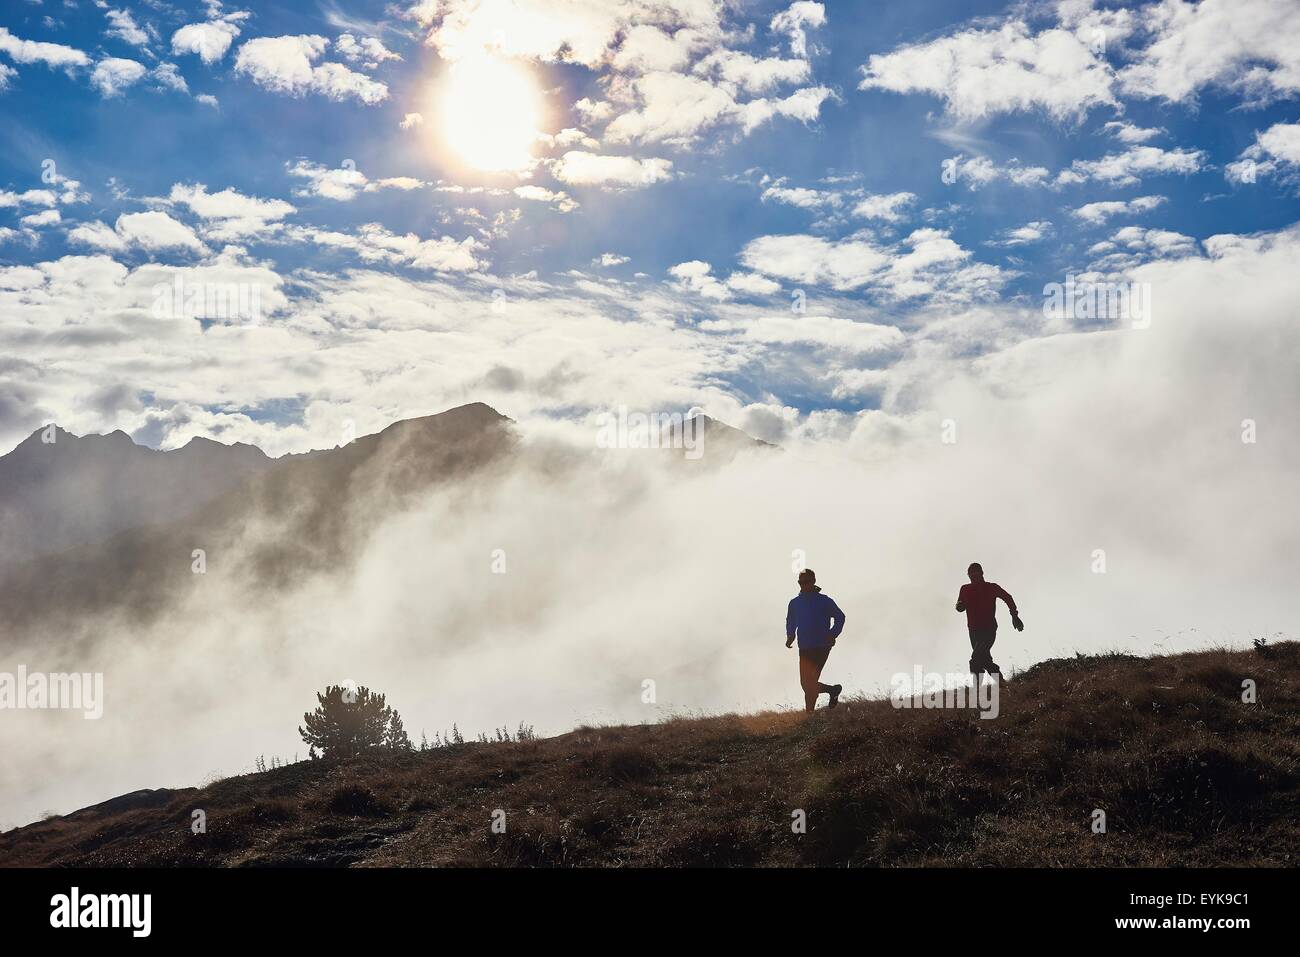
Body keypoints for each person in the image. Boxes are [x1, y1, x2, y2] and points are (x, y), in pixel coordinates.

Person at [785, 569, 845, 712]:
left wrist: (833, 634)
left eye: (807, 582)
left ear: (813, 581)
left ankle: (809, 715)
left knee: (809, 683)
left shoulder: (824, 601)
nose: (803, 585)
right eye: (801, 582)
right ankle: (832, 690)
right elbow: (791, 620)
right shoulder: (794, 603)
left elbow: (840, 617)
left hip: (822, 646)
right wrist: (790, 635)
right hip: (804, 647)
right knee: (806, 684)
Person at [955, 562, 1023, 680]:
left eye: (976, 574)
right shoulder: (965, 589)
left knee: (975, 660)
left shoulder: (991, 587)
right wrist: (959, 606)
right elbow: (959, 605)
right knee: (985, 660)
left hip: (988, 630)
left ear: (982, 573)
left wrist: (1014, 616)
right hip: (973, 631)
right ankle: (1002, 685)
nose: (973, 577)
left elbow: (1008, 598)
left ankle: (977, 690)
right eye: (971, 575)